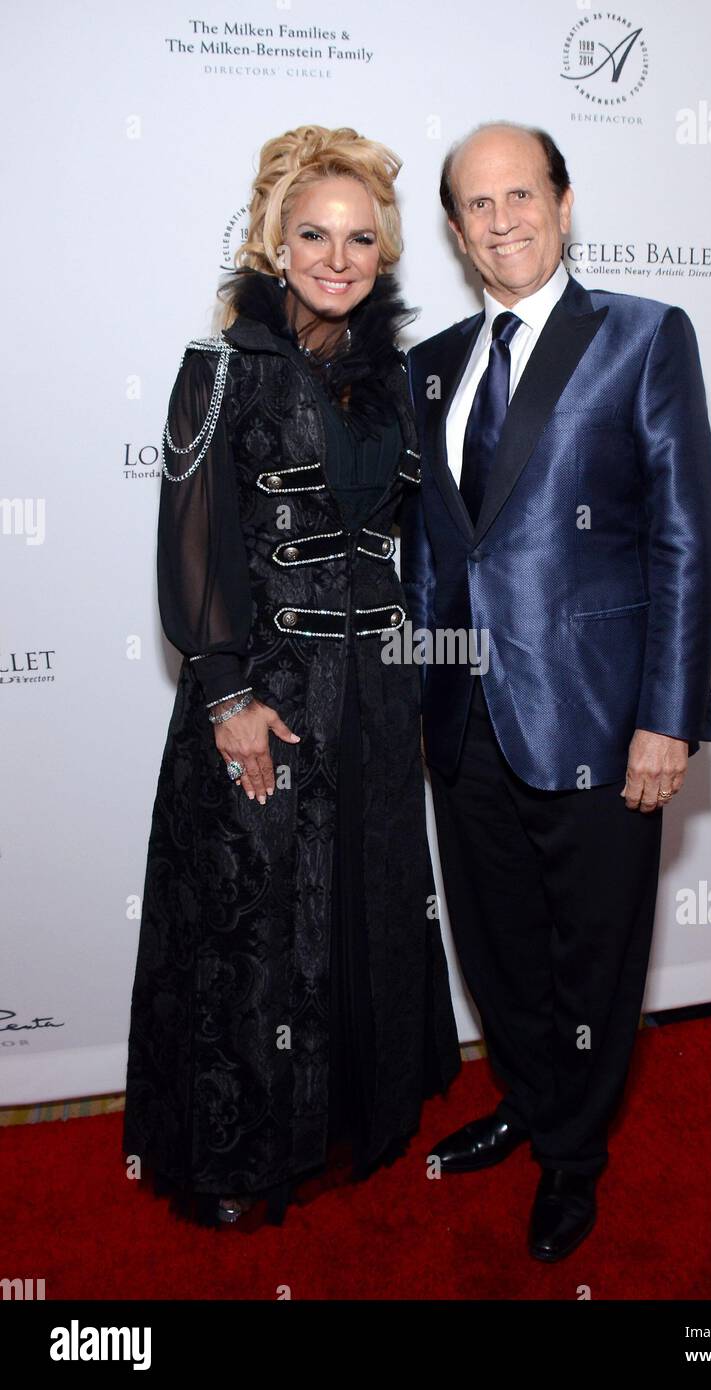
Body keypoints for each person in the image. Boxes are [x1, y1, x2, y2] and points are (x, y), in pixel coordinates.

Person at [123, 124, 461, 1229]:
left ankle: (354, 1118)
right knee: (258, 927)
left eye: (362, 237)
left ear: (385, 252)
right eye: (314, 233)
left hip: (373, 695)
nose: (339, 255)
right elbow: (193, 542)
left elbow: (408, 543)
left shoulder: (395, 382)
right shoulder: (221, 370)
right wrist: (228, 696)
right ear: (275, 240)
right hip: (266, 694)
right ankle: (242, 1153)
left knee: (361, 903)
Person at [401, 121, 711, 1261]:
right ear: (453, 229)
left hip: (599, 715)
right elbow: (439, 557)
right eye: (477, 207)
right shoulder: (431, 363)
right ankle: (530, 1101)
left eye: (521, 195)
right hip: (466, 722)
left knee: (593, 951)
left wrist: (670, 714)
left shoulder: (642, 337)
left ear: (564, 200)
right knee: (496, 947)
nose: (503, 222)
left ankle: (574, 1159)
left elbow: (686, 536)